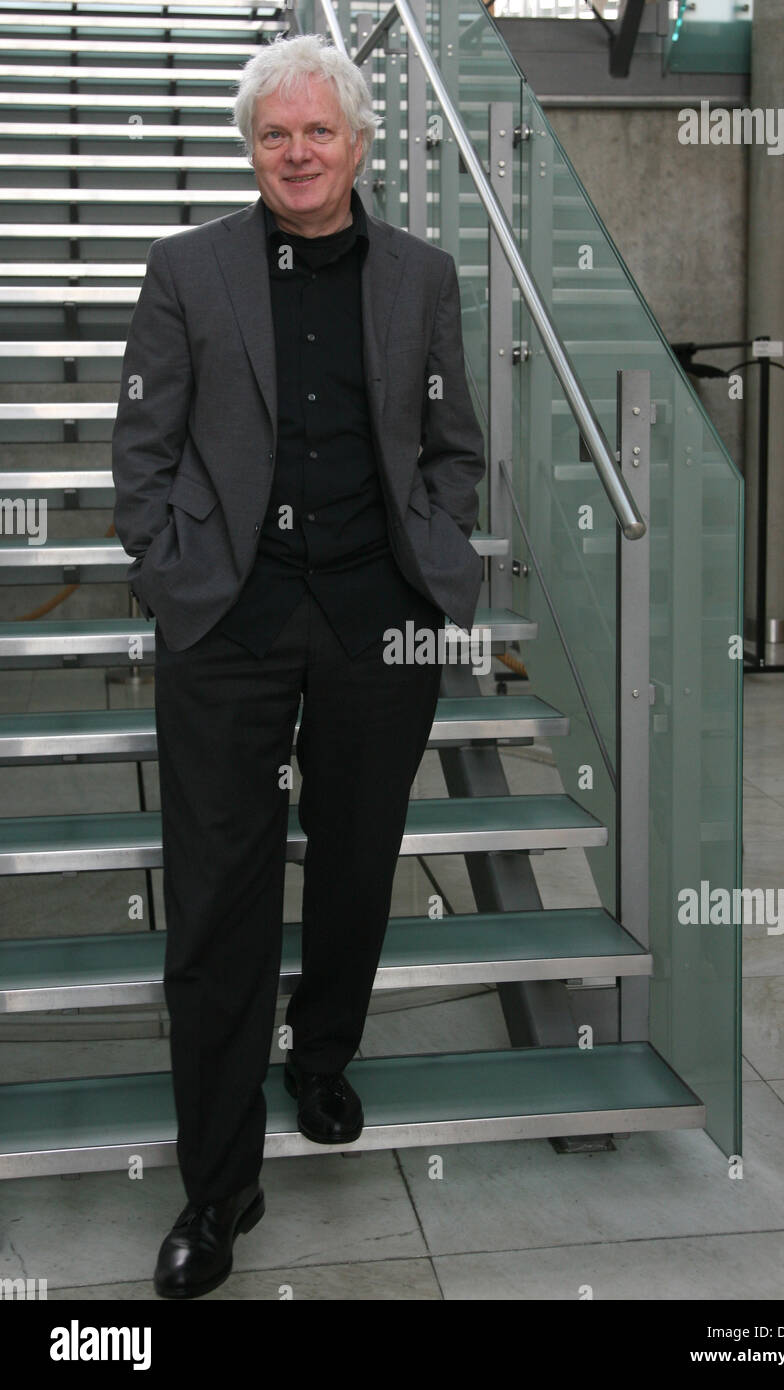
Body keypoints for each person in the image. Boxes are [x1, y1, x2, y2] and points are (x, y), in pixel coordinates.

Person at [111, 32, 485, 1300]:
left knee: (358, 862)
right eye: (275, 134)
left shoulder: (423, 275)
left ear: (361, 141)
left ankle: (321, 1054)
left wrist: (438, 558)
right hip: (229, 626)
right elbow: (143, 448)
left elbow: (451, 442)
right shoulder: (187, 271)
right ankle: (216, 1185)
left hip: (378, 621)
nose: (297, 153)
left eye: (318, 131)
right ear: (250, 147)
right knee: (217, 905)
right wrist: (173, 576)